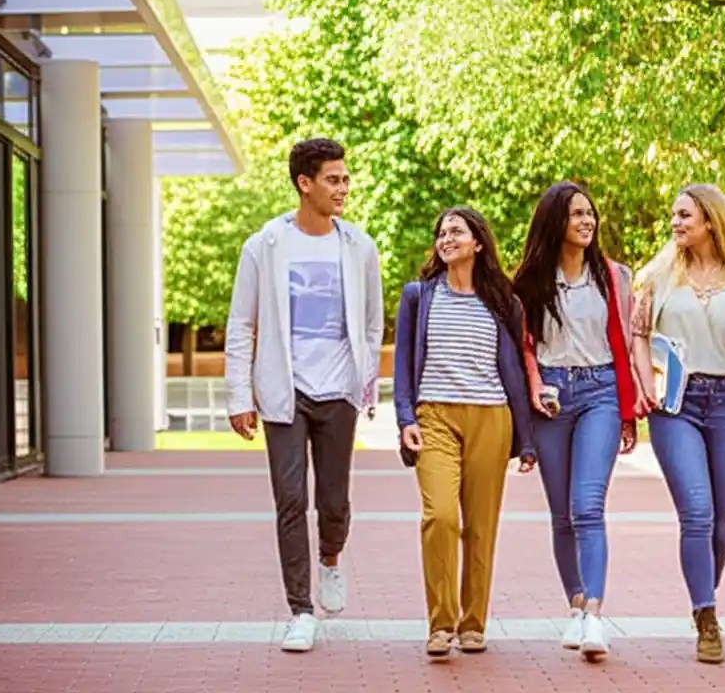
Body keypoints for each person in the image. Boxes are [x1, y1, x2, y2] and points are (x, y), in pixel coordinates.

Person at [224, 138, 383, 653]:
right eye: (333, 179)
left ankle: (331, 558)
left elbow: (372, 321)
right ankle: (300, 609)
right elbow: (240, 324)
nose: (343, 187)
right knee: (290, 501)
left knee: (333, 502)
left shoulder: (359, 246)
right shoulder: (264, 245)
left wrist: (366, 384)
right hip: (284, 391)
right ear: (304, 184)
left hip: (338, 392)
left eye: (345, 178)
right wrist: (238, 395)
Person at [392, 206, 538, 659]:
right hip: (434, 415)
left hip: (491, 418)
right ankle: (441, 623)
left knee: (481, 526)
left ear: (478, 242)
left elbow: (517, 369)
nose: (446, 237)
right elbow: (402, 363)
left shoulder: (504, 302)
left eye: (457, 230)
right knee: (440, 517)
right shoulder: (419, 296)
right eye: (441, 232)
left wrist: (527, 438)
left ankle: (473, 623)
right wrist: (405, 418)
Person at [629, 183, 725, 664]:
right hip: (675, 405)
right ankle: (706, 617)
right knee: (698, 514)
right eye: (674, 215)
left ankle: (705, 591)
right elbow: (638, 333)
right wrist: (645, 382)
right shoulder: (659, 275)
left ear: (711, 220)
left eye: (685, 215)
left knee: (722, 526)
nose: (676, 222)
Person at [512, 181, 638, 661]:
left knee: (588, 505)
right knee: (562, 513)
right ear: (554, 222)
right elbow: (523, 348)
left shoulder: (613, 276)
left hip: (600, 393)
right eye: (576, 214)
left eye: (590, 213)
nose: (587, 221)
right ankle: (577, 605)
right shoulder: (527, 284)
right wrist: (533, 388)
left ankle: (596, 616)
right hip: (551, 398)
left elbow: (626, 344)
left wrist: (629, 410)